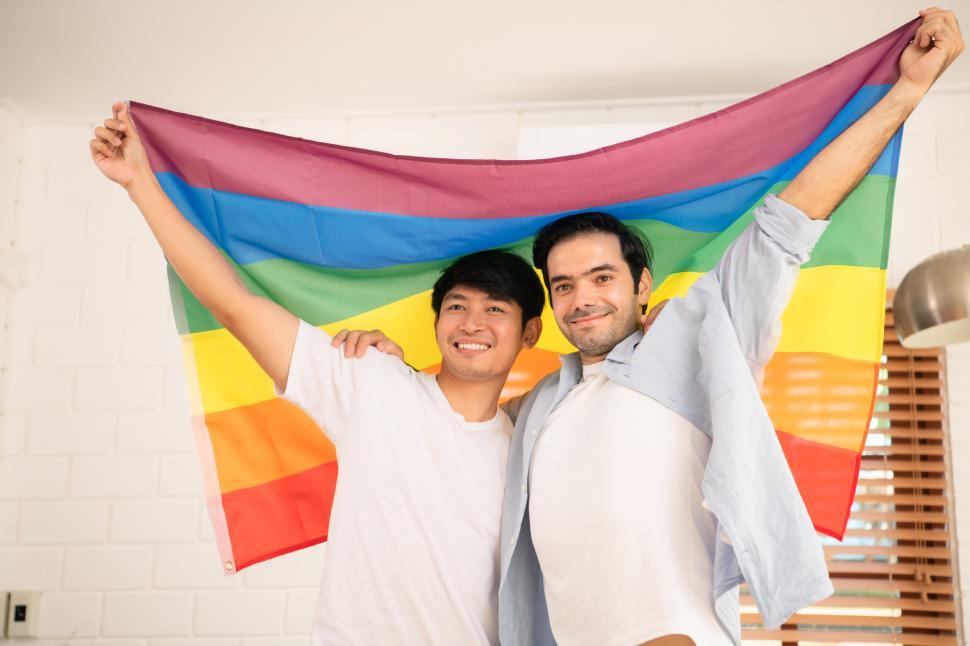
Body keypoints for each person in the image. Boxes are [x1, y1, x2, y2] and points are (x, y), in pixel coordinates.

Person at [342, 8, 965, 645]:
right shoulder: (540, 407)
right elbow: (459, 419)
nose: (583, 298)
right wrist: (401, 372)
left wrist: (909, 92)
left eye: (602, 277)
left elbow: (788, 223)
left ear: (642, 284)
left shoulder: (696, 340)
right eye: (565, 286)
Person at [89, 105, 549, 645]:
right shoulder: (372, 383)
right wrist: (139, 184)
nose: (473, 323)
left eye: (496, 309)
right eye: (457, 306)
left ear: (530, 332)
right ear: (439, 320)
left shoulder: (529, 444)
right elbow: (235, 305)